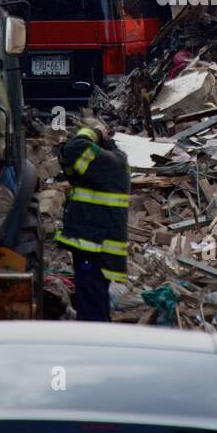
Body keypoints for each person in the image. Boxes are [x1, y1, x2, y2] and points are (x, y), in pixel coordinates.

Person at [53, 120, 130, 322]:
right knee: (95, 304)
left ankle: (93, 346)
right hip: (95, 247)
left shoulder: (109, 163)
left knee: (91, 310)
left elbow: (75, 148)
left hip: (96, 249)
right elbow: (70, 160)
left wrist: (94, 131)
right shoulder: (106, 167)